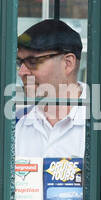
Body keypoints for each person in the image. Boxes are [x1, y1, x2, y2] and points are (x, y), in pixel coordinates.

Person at [14, 18, 86, 159]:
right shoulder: (17, 121)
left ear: (68, 63)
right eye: (20, 62)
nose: (21, 72)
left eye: (33, 62)